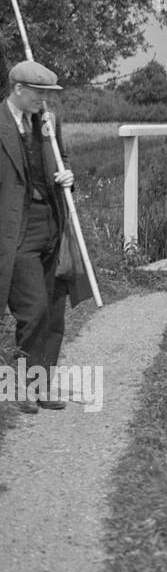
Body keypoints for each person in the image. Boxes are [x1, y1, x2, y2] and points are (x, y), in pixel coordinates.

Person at [0, 60, 93, 413]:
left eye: (49, 94)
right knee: (33, 309)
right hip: (15, 232)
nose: (45, 100)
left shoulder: (50, 124)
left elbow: (61, 160)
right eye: (39, 93)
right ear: (19, 90)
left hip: (53, 226)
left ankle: (41, 386)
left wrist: (68, 175)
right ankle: (18, 388)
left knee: (54, 314)